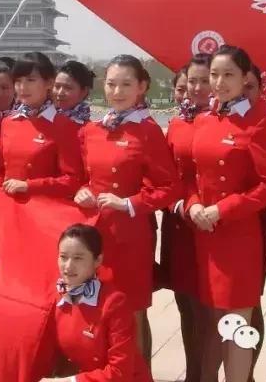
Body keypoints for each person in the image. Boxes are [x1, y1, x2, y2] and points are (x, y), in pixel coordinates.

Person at [187, 46, 266, 382]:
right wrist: (194, 204)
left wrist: (223, 209)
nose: (220, 82)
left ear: (245, 79)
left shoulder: (259, 123)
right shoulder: (204, 120)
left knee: (237, 323)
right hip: (205, 235)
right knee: (213, 322)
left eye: (229, 75)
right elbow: (191, 176)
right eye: (215, 74)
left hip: (238, 236)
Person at [77, 55, 178, 358]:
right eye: (111, 84)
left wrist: (130, 203)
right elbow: (80, 178)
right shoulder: (91, 130)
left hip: (132, 238)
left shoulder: (148, 132)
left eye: (126, 84)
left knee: (131, 314)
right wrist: (81, 191)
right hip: (94, 236)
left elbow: (171, 188)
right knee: (96, 312)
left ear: (142, 87)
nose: (117, 91)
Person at [39, 223, 151, 382]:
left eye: (78, 258)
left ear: (98, 260)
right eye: (63, 257)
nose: (68, 266)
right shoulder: (55, 296)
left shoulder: (114, 303)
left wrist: (68, 381)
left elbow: (120, 372)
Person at [160, 54, 211, 382]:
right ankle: (195, 373)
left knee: (218, 311)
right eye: (191, 82)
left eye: (204, 81)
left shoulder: (227, 121)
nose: (196, 88)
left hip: (213, 223)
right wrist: (177, 203)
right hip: (179, 223)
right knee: (186, 306)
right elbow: (167, 173)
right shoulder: (178, 123)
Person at [0, 52, 84, 199]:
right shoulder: (9, 123)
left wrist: (29, 186)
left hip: (43, 210)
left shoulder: (65, 126)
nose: (23, 87)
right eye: (18, 81)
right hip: (10, 208)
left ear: (49, 82)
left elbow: (72, 181)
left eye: (30, 80)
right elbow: (2, 171)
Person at [54, 61, 95, 129]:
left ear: (84, 91)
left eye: (68, 88)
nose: (60, 93)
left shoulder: (89, 131)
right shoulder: (42, 123)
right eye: (57, 86)